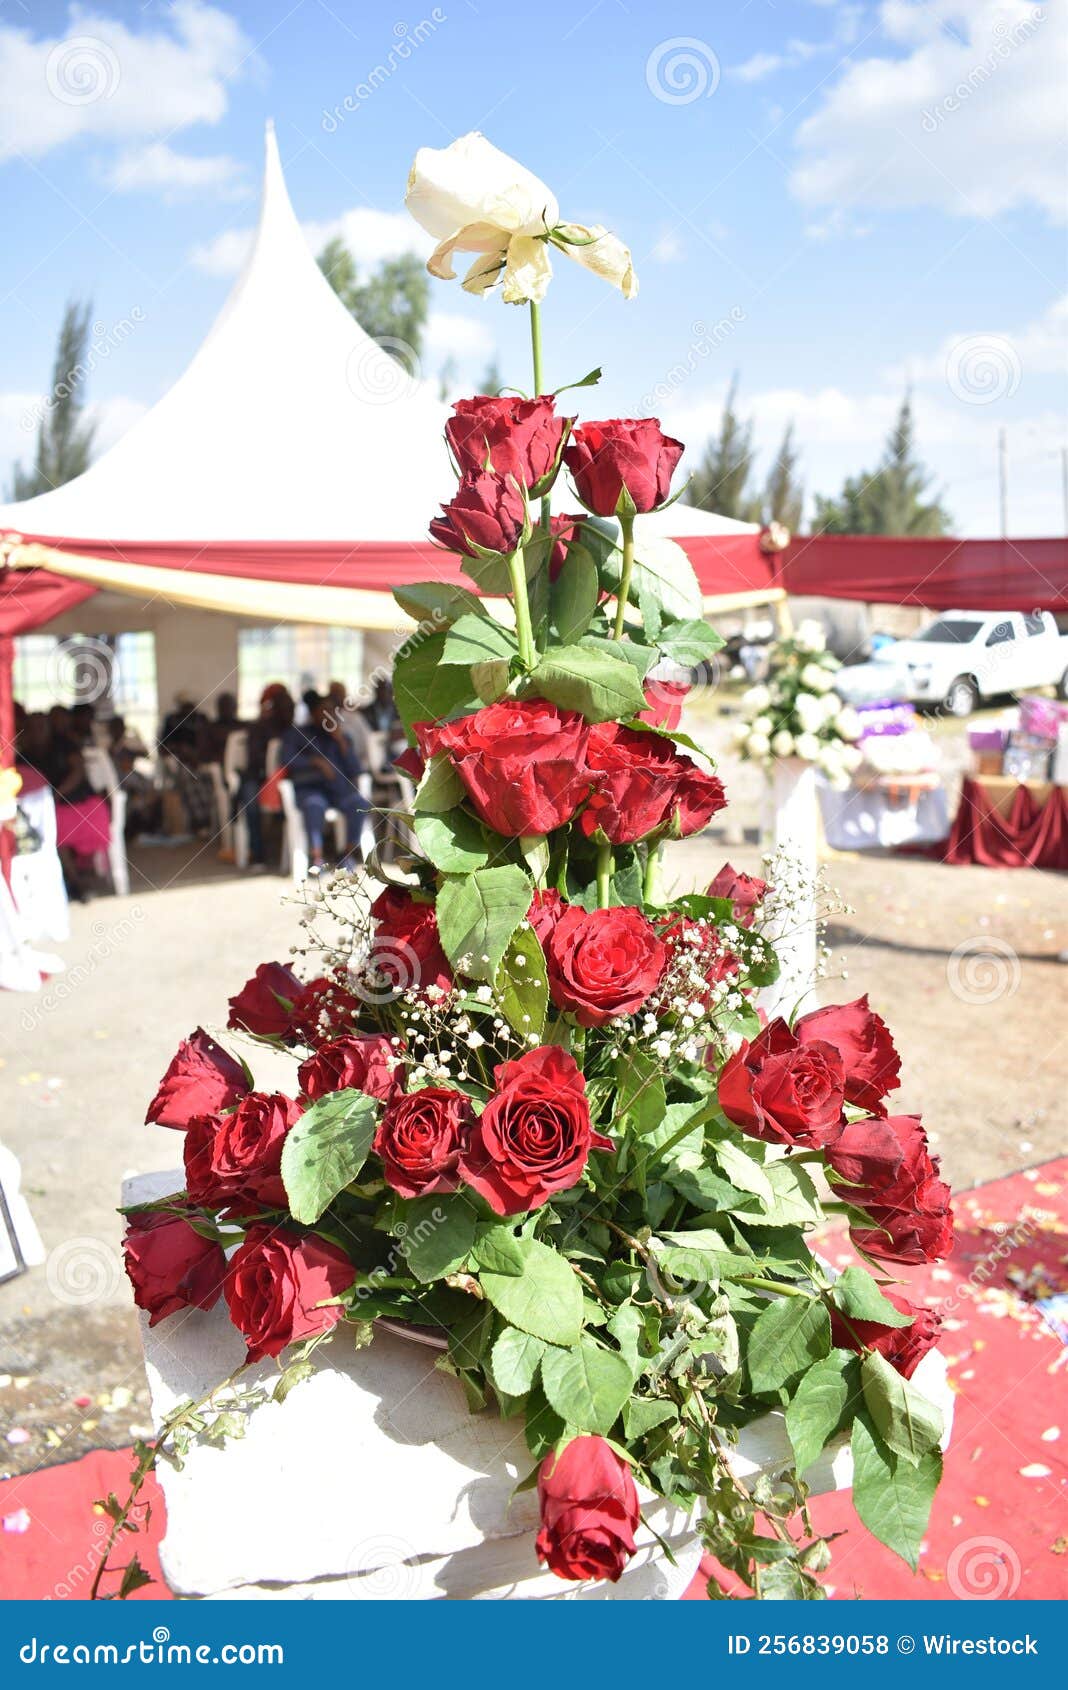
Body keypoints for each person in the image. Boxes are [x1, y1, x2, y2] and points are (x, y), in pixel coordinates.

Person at [279, 691, 367, 869]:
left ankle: (347, 854)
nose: (329, 715)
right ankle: (316, 859)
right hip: (311, 788)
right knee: (314, 806)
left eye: (332, 711)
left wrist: (341, 742)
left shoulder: (341, 737)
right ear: (313, 713)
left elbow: (356, 769)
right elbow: (287, 759)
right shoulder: (297, 734)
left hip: (338, 790)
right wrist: (316, 762)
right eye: (323, 710)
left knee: (360, 803)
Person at [235, 683, 295, 869]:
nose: (288, 712)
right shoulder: (258, 727)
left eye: (291, 708)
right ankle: (257, 852)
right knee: (251, 801)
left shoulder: (294, 730)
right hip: (259, 776)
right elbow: (253, 759)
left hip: (286, 778)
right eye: (284, 708)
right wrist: (272, 763)